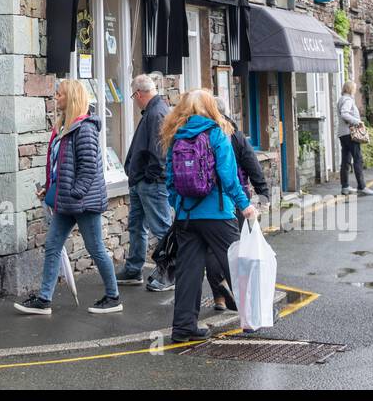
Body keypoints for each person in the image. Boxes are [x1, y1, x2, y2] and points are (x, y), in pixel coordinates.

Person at [14, 79, 122, 316]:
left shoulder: (84, 129)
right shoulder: (65, 127)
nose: (56, 98)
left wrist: (74, 193)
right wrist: (49, 187)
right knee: (52, 245)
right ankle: (44, 299)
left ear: (71, 98)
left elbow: (88, 168)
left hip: (82, 203)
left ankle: (113, 297)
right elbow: (59, 165)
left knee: (96, 249)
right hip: (67, 201)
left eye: (59, 95)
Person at [164, 89, 257, 343]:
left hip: (186, 216)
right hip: (217, 213)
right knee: (237, 264)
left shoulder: (176, 136)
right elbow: (229, 178)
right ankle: (252, 318)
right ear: (210, 107)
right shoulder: (217, 133)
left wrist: (179, 205)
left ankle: (183, 327)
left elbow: (169, 181)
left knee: (189, 272)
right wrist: (245, 205)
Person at [203, 101, 270, 312]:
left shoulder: (202, 136)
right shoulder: (235, 136)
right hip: (236, 200)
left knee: (213, 251)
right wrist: (263, 193)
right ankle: (247, 302)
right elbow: (253, 165)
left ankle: (219, 299)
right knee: (238, 249)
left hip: (209, 202)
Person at [115, 74, 174, 292]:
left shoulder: (157, 112)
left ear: (139, 94)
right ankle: (133, 270)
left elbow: (159, 153)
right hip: (143, 182)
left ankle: (169, 274)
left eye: (134, 96)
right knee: (136, 227)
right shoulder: (154, 110)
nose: (135, 100)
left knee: (162, 229)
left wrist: (148, 177)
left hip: (151, 183)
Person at [336, 81, 373, 197]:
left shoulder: (341, 99)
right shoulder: (348, 100)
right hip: (351, 134)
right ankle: (362, 187)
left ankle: (345, 187)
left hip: (343, 134)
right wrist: (357, 121)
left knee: (346, 160)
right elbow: (345, 114)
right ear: (350, 89)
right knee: (358, 159)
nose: (355, 90)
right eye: (354, 88)